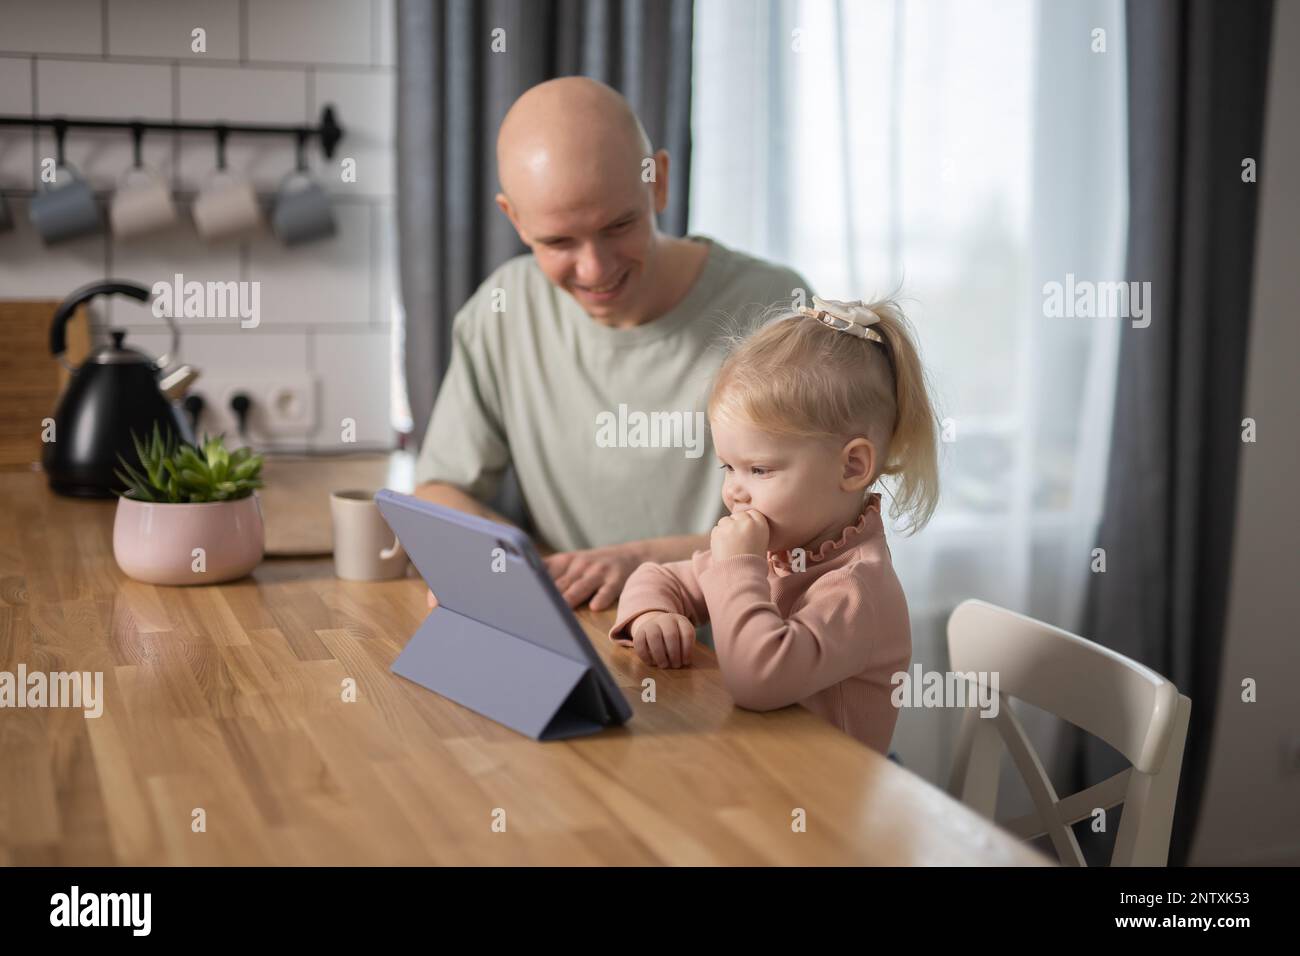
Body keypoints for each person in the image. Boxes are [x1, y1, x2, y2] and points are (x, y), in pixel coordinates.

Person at [414, 76, 810, 611]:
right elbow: (440, 488)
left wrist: (642, 563)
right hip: (586, 631)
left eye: (620, 224)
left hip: (741, 652)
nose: (595, 269)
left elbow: (814, 533)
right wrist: (512, 565)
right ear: (515, 219)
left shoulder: (775, 306)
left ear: (660, 182)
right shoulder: (501, 310)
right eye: (557, 242)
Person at [606, 297, 940, 754]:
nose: (734, 493)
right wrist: (652, 614)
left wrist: (738, 567)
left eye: (759, 470)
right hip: (762, 779)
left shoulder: (855, 589)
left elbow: (758, 679)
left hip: (830, 808)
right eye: (728, 467)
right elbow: (661, 577)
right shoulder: (780, 550)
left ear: (852, 467)